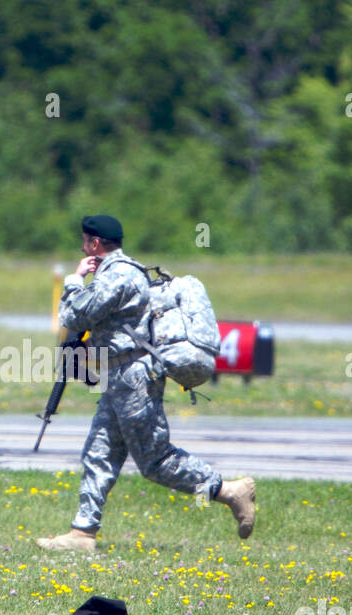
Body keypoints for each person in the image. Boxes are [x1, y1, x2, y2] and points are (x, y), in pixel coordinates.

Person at [36, 215, 256, 552]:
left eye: (84, 241)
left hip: (134, 378)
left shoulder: (120, 276)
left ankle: (228, 491)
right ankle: (82, 534)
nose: (81, 247)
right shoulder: (116, 273)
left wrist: (74, 280)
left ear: (95, 244)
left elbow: (75, 314)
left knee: (155, 461)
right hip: (119, 376)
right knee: (99, 452)